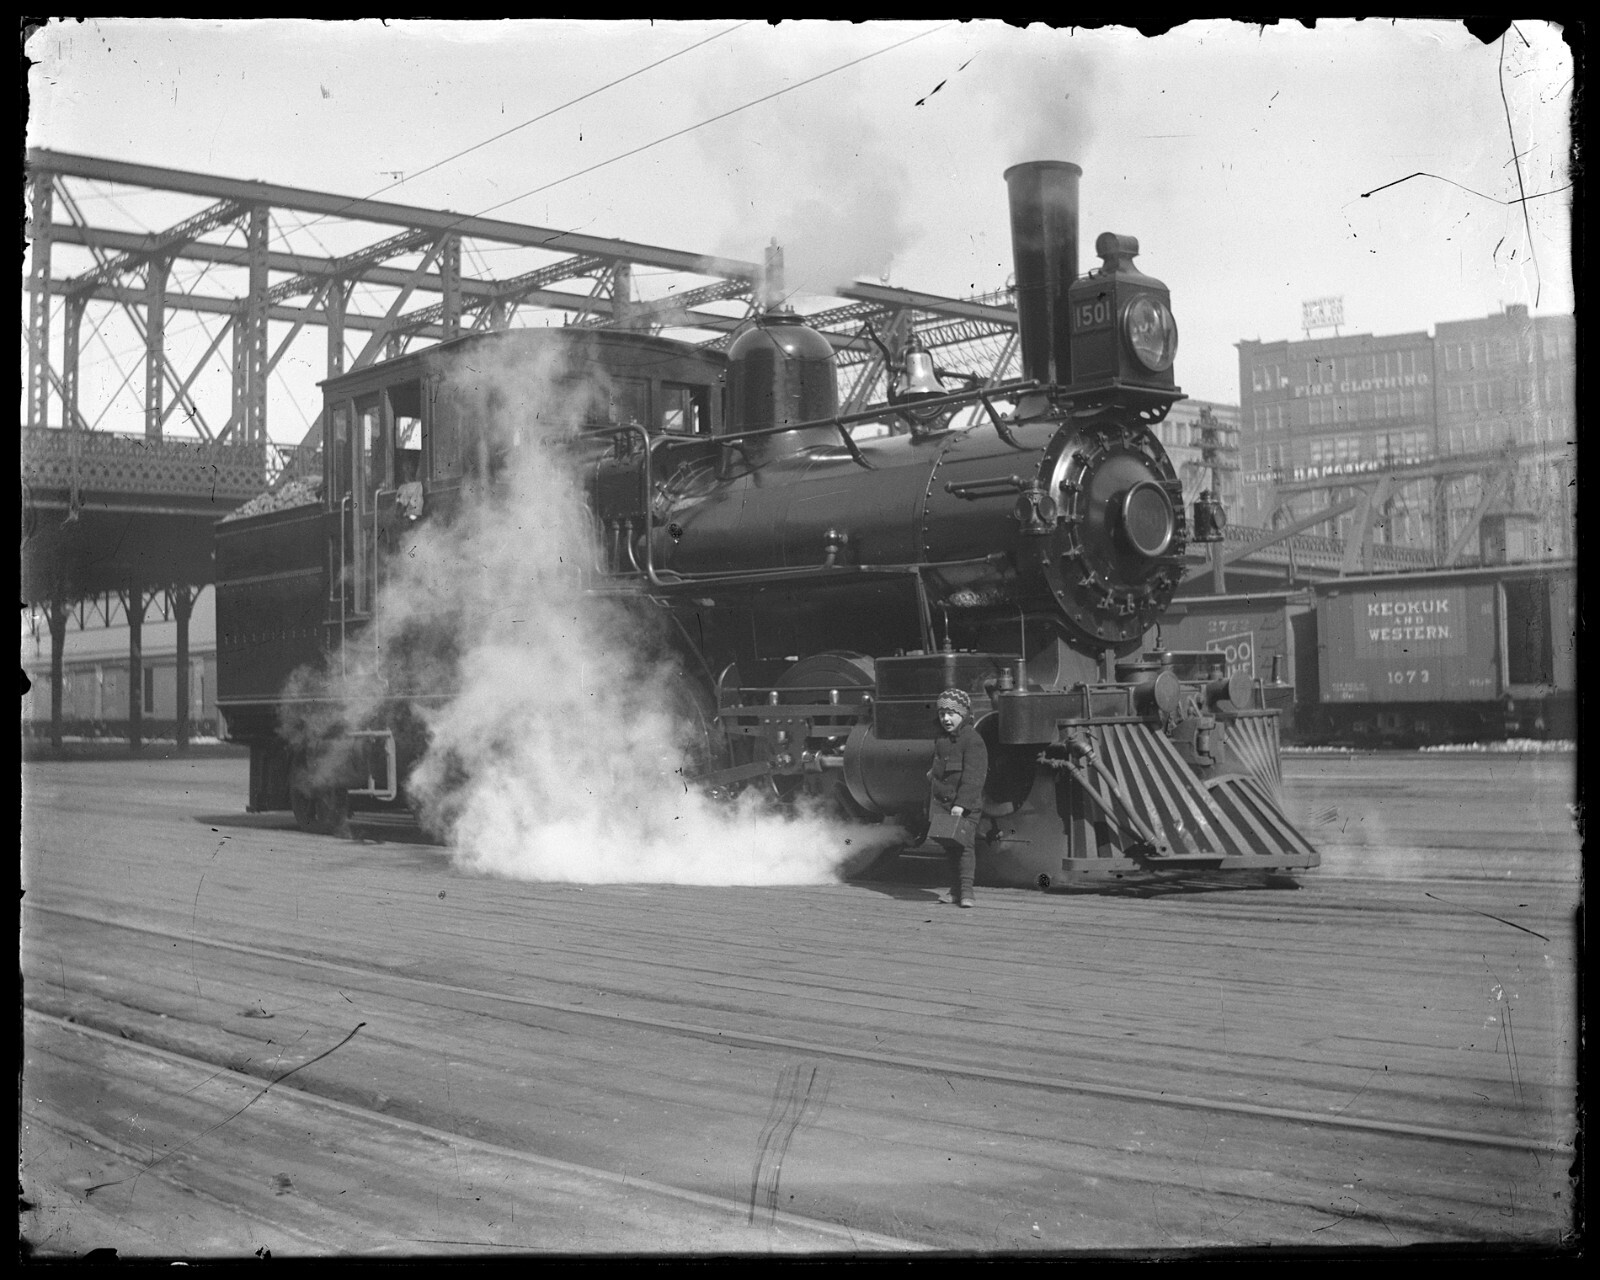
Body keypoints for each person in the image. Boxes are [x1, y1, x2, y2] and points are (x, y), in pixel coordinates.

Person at [927, 688, 988, 908]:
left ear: (963, 714)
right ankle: (954, 890)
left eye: (951, 713)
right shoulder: (942, 740)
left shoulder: (972, 740)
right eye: (942, 714)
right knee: (950, 848)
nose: (946, 718)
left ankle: (967, 892)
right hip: (944, 805)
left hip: (965, 806)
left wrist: (961, 805)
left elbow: (974, 777)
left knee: (965, 848)